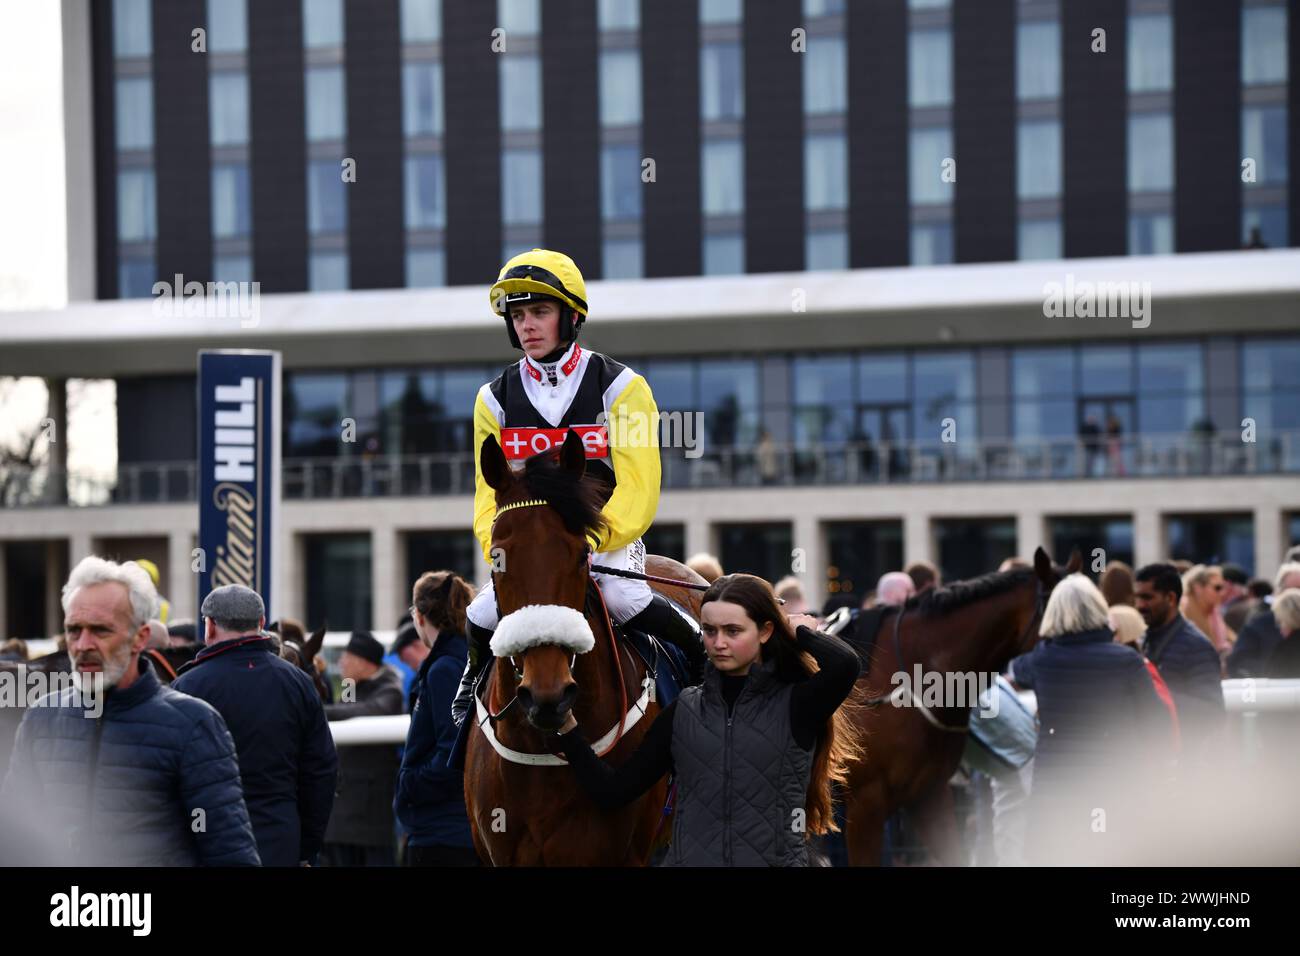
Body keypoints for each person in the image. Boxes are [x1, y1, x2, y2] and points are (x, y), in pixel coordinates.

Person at [452, 249, 706, 730]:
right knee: (481, 613)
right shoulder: (492, 399)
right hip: (530, 547)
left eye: (540, 312)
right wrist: (502, 548)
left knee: (622, 599)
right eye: (519, 315)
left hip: (602, 538)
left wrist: (591, 539)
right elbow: (488, 496)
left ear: (571, 316)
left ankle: (705, 667)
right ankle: (469, 688)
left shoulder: (623, 387)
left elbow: (639, 485)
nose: (527, 325)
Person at [554, 573, 863, 866]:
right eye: (709, 630)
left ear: (766, 631)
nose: (718, 643)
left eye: (733, 631)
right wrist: (568, 730)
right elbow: (613, 792)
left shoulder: (797, 703)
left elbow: (845, 665)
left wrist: (799, 631)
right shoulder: (682, 711)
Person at [1, 557, 260, 866]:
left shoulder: (194, 724)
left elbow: (230, 853)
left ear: (140, 637)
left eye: (100, 630)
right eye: (74, 630)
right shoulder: (40, 718)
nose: (83, 644)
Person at [1008, 575, 1173, 864]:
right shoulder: (1126, 660)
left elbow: (1016, 668)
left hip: (1056, 784)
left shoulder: (1040, 660)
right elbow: (1156, 721)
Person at [172, 584, 338, 867]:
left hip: (208, 842)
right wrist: (305, 845)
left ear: (209, 627)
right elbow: (321, 772)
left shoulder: (186, 687)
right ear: (261, 624)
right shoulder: (299, 684)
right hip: (280, 837)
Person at [396, 571, 479, 866]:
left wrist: (411, 783)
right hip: (463, 826)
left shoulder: (444, 669)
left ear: (419, 616)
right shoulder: (467, 659)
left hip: (442, 831)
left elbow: (452, 750)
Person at [321, 631, 405, 866]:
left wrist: (318, 712)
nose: (340, 663)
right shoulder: (352, 685)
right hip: (344, 812)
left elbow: (357, 712)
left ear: (361, 662)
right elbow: (345, 708)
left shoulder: (390, 689)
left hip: (370, 817)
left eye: (346, 658)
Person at [1134, 563, 1226, 762]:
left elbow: (1212, 713)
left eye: (1147, 597)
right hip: (1156, 760)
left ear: (1170, 598)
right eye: (1138, 597)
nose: (1139, 605)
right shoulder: (1146, 639)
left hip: (1184, 765)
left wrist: (1154, 696)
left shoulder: (1196, 646)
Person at [1227, 562, 1300, 678]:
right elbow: (1239, 663)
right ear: (1278, 591)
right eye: (1293, 589)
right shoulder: (1259, 624)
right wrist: (1277, 669)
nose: (1297, 594)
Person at [1180, 564, 1236, 664]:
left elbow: (1231, 639)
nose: (1222, 593)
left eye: (1223, 587)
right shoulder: (1185, 609)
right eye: (1217, 588)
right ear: (1198, 588)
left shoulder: (1214, 612)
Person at [1264, 589, 1300, 678]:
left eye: (1280, 622)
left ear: (1288, 620)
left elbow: (1273, 676)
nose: (1280, 629)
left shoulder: (1287, 649)